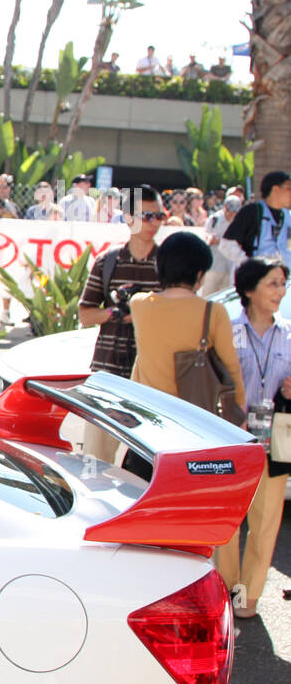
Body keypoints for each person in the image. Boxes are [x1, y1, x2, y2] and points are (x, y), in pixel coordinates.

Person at [125, 231, 243, 477]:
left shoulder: (139, 304)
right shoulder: (213, 311)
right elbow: (232, 368)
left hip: (148, 425)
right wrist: (239, 414)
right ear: (199, 274)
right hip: (194, 427)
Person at [219, 257, 291, 619]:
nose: (280, 291)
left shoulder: (290, 333)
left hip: (274, 435)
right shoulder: (228, 329)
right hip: (232, 435)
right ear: (249, 289)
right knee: (229, 519)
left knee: (266, 520)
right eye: (273, 284)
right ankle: (227, 587)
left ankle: (249, 596)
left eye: (282, 284)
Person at [77, 184, 167, 462]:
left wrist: (146, 312)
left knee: (148, 466)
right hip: (109, 373)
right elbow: (86, 314)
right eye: (146, 216)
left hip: (153, 376)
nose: (153, 223)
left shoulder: (168, 264)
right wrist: (117, 314)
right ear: (128, 219)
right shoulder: (108, 261)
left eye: (159, 216)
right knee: (97, 459)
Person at [222, 170, 291, 268]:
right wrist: (249, 263)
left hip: (282, 277)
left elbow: (289, 245)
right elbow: (226, 245)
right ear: (275, 189)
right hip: (255, 277)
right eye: (289, 187)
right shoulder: (252, 211)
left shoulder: (287, 216)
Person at [201, 194, 244, 296]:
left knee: (227, 294)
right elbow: (206, 235)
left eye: (235, 211)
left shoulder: (241, 221)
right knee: (208, 294)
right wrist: (210, 239)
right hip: (214, 264)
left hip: (231, 265)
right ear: (225, 207)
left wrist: (220, 241)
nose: (232, 214)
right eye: (230, 210)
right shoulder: (214, 219)